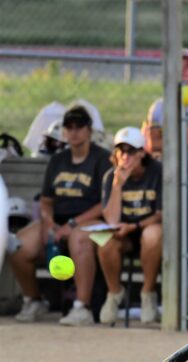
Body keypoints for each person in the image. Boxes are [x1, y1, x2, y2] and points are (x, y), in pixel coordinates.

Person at [8, 105, 111, 326]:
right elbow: (46, 200)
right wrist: (48, 223)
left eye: (79, 127)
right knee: (16, 245)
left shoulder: (102, 159)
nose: (73, 132)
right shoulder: (58, 160)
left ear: (89, 131)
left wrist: (73, 224)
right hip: (58, 220)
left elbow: (105, 204)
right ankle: (34, 300)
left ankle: (82, 307)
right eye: (69, 127)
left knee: (79, 239)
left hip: (91, 221)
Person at [97, 127, 163, 325]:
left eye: (131, 151)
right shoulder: (111, 177)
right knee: (104, 239)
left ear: (142, 153)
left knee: (152, 234)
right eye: (120, 151)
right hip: (123, 235)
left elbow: (160, 215)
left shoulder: (157, 172)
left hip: (147, 230)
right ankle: (114, 293)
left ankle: (147, 294)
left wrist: (134, 226)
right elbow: (110, 219)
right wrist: (118, 185)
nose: (125, 156)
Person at [142, 48, 188, 193]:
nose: (184, 70)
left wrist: (165, 137)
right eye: (178, 65)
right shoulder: (159, 105)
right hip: (164, 166)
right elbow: (153, 144)